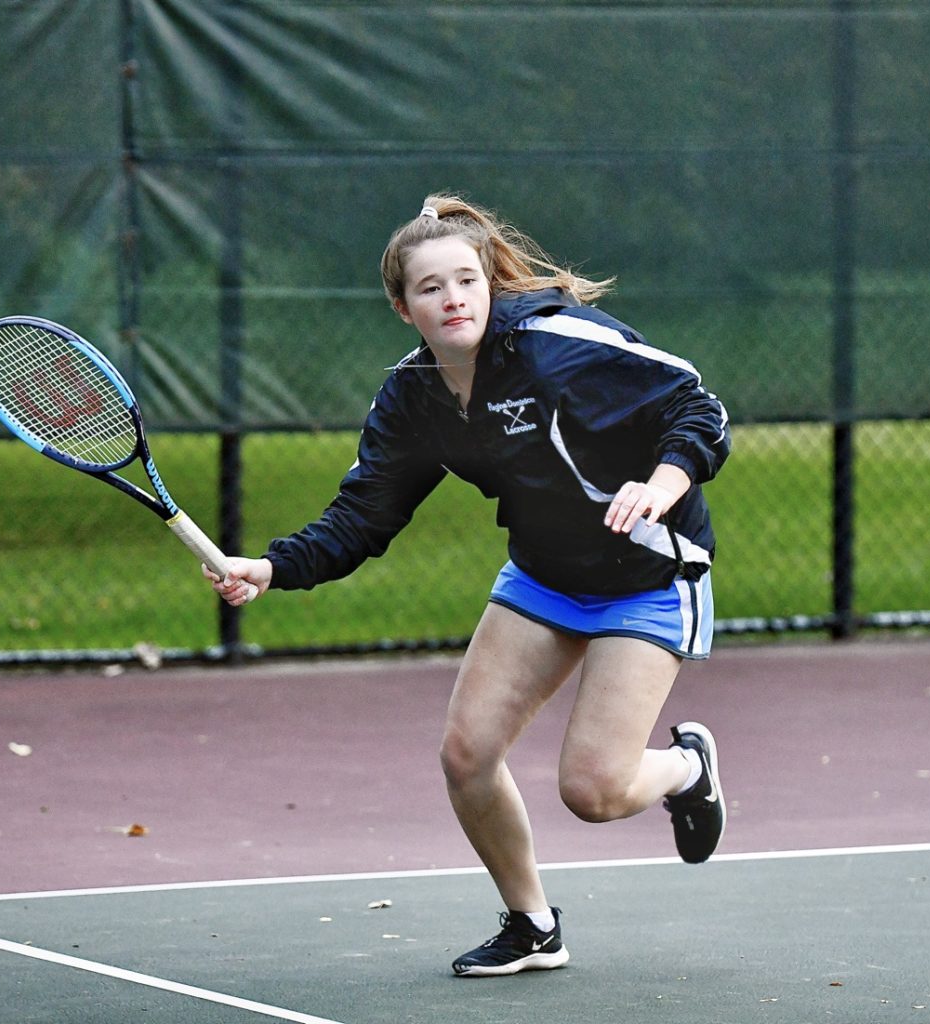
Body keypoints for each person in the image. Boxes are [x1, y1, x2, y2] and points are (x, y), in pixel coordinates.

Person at [204, 193, 731, 977]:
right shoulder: (413, 399)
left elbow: (696, 403)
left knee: (592, 791)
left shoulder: (558, 347)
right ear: (401, 306)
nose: (452, 298)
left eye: (466, 281)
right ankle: (533, 925)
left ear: (489, 286)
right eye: (430, 287)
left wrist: (662, 479)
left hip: (649, 571)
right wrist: (274, 567)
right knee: (465, 754)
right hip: (547, 574)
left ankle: (688, 770)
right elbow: (364, 515)